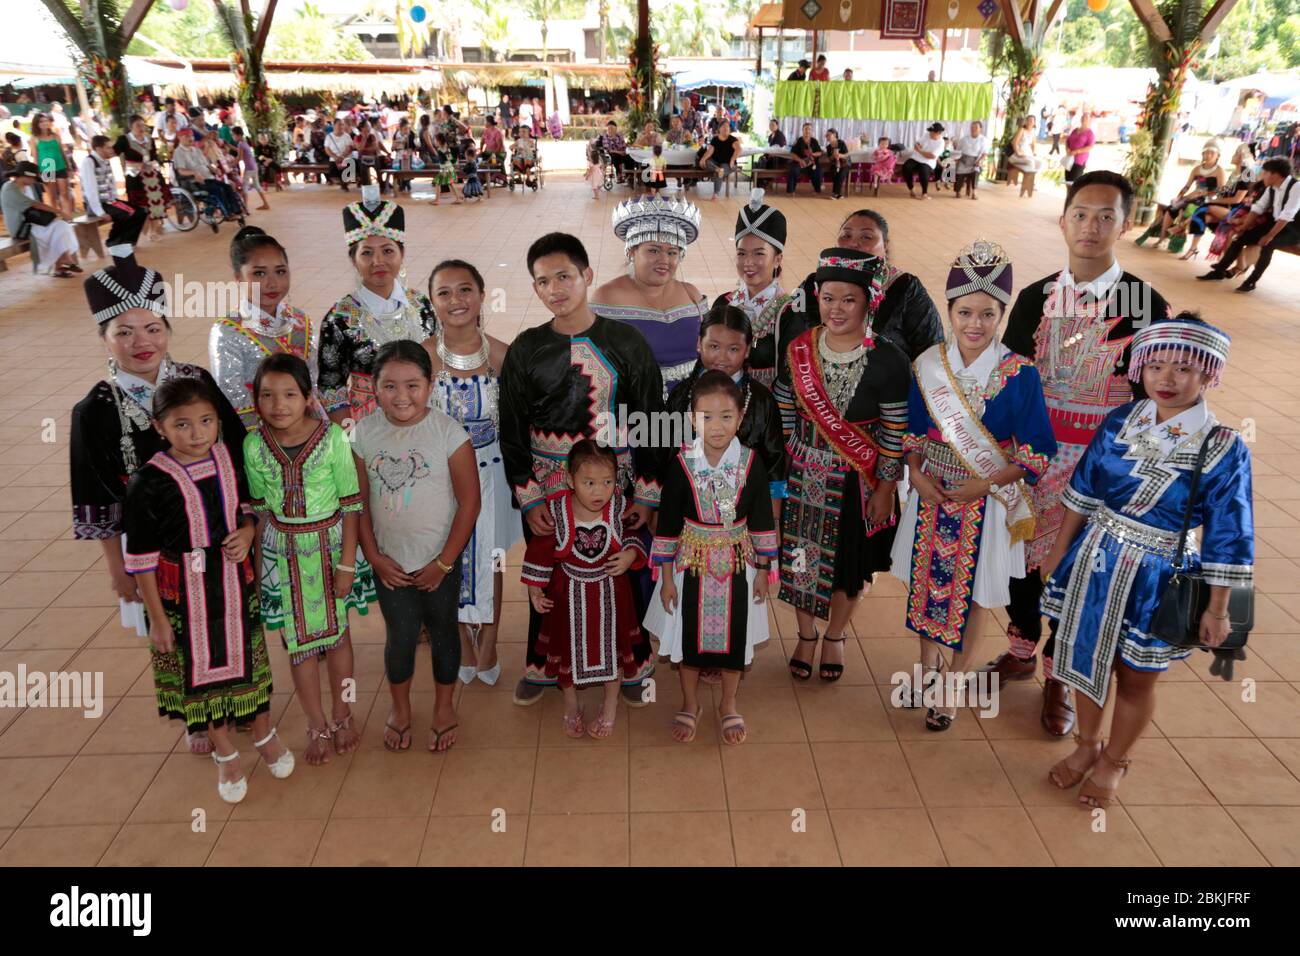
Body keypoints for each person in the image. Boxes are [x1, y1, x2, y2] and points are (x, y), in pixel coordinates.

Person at [1039, 315, 1252, 808]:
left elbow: (1230, 534)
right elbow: (1084, 490)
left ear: (1208, 374)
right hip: (1096, 558)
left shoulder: (1223, 447)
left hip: (1161, 572)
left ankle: (1115, 760)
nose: (1167, 379)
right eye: (1155, 366)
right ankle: (1087, 746)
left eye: (1183, 368)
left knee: (1136, 676)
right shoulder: (1121, 420)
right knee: (1084, 660)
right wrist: (1057, 550)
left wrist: (1219, 608)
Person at [993, 170, 1173, 738]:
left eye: (1105, 216)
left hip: (1102, 465)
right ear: (1063, 218)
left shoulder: (1146, 305)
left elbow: (1155, 399)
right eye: (1080, 214)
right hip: (1036, 457)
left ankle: (1062, 675)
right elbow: (1013, 379)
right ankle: (1022, 647)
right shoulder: (1035, 297)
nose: (1090, 227)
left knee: (1081, 569)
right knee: (1021, 557)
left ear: (1126, 223)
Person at [73, 248, 247, 757]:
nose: (141, 342)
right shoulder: (96, 409)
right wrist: (118, 569)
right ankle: (195, 714)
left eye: (151, 328)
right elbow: (96, 498)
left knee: (227, 614)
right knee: (171, 627)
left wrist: (246, 522)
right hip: (154, 552)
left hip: (217, 532)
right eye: (124, 332)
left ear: (167, 328)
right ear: (104, 338)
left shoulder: (194, 382)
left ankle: (237, 695)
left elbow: (234, 451)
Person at [890, 241, 1056, 730]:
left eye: (988, 313)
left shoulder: (1018, 373)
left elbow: (1035, 450)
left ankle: (953, 683)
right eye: (964, 312)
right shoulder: (928, 364)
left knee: (975, 593)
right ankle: (925, 670)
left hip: (986, 498)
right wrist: (916, 472)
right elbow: (913, 431)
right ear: (949, 310)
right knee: (925, 584)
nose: (975, 324)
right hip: (930, 493)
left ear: (1003, 314)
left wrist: (984, 486)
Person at [499, 232, 664, 707]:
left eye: (564, 276)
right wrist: (529, 497)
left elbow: (652, 419)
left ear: (587, 276)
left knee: (622, 570)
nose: (555, 289)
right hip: (550, 490)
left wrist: (647, 494)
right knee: (550, 575)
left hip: (615, 484)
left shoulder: (627, 342)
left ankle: (631, 664)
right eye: (543, 281)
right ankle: (544, 664)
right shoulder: (526, 349)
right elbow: (511, 425)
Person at [123, 376, 291, 803]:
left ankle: (262, 732)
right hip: (182, 594)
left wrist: (249, 531)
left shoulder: (229, 459)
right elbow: (140, 557)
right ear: (160, 428)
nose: (196, 434)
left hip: (234, 583)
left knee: (249, 664)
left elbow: (250, 506)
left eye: (205, 421)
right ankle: (225, 753)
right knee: (202, 680)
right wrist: (158, 619)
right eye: (182, 425)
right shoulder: (148, 482)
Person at [776, 247, 910, 681]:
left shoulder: (888, 358)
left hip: (859, 480)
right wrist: (788, 451)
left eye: (848, 299)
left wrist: (886, 488)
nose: (836, 308)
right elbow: (783, 399)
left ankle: (834, 635)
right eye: (828, 297)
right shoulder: (799, 347)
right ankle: (805, 635)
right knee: (801, 561)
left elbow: (894, 430)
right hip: (803, 473)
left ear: (868, 301)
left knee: (847, 568)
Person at [244, 353, 375, 764]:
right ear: (255, 400)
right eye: (267, 395)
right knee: (297, 645)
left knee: (338, 637)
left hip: (332, 548)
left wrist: (347, 563)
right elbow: (262, 507)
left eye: (288, 394)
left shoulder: (334, 438)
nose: (278, 405)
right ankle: (315, 721)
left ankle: (342, 712)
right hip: (283, 555)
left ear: (308, 397)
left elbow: (352, 504)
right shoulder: (253, 445)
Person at [352, 341, 480, 753]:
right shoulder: (363, 434)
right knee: (401, 637)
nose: (401, 396)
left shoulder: (448, 433)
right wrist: (374, 557)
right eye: (389, 386)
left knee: (444, 634)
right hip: (389, 563)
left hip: (438, 562)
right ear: (373, 387)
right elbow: (357, 503)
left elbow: (469, 503)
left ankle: (444, 707)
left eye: (412, 385)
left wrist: (443, 563)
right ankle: (400, 708)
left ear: (431, 384)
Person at [646, 370, 778, 745]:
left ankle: (729, 704)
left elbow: (763, 520)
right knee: (689, 641)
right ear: (691, 419)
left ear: (740, 418)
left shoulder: (751, 464)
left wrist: (763, 570)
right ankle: (690, 703)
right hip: (691, 564)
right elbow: (668, 525)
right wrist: (667, 579)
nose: (716, 426)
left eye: (726, 416)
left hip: (739, 563)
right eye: (706, 416)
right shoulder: (682, 464)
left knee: (734, 640)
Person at [422, 259, 520, 685]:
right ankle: (461, 639)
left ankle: (491, 640)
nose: (455, 300)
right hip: (440, 480)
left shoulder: (503, 355)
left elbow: (522, 419)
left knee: (492, 560)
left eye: (465, 290)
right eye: (444, 293)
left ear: (481, 296)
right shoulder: (422, 358)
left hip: (492, 470)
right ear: (432, 302)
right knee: (448, 561)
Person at [522, 441, 647, 738]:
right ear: (570, 479)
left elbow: (634, 533)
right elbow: (540, 549)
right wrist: (535, 589)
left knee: (613, 652)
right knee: (567, 652)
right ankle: (571, 703)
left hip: (612, 597)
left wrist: (630, 554)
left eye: (607, 482)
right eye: (588, 483)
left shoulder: (618, 507)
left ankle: (611, 705)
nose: (598, 491)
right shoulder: (558, 511)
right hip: (568, 598)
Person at [318, 191, 436, 424]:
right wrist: (350, 441)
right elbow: (331, 389)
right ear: (353, 259)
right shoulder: (339, 318)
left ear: (402, 254)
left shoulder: (421, 304)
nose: (378, 261)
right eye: (367, 253)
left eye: (388, 250)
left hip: (425, 417)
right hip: (368, 425)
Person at [786, 209, 944, 361]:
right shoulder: (813, 284)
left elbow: (932, 351)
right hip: (814, 383)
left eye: (866, 237)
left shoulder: (905, 287)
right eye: (846, 235)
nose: (853, 243)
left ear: (885, 245)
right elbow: (791, 334)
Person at [592, 196, 708, 397]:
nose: (664, 260)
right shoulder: (607, 298)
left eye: (672, 252)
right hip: (634, 413)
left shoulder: (692, 294)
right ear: (631, 251)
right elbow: (591, 368)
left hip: (691, 410)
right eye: (653, 250)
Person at [210, 226, 315, 430]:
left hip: (305, 428)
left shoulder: (301, 320)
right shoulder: (227, 330)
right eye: (259, 273)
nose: (273, 283)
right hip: (257, 437)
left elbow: (314, 381)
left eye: (281, 271)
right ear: (238, 278)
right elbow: (232, 396)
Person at [713, 190, 802, 388]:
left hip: (767, 413)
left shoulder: (789, 313)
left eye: (759, 254)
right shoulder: (723, 303)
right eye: (741, 253)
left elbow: (791, 382)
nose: (748, 263)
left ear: (777, 259)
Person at [1197, 157, 1299, 293]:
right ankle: (1219, 271)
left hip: (1294, 229)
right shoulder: (1272, 188)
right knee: (1240, 237)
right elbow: (1258, 208)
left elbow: (1287, 214)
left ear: (1274, 174)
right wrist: (1243, 228)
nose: (1262, 176)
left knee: (1268, 244)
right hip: (1276, 224)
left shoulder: (1296, 187)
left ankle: (1252, 281)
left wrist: (1269, 236)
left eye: (1265, 173)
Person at [1135, 140, 1227, 252]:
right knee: (1171, 208)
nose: (1208, 155)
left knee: (1189, 209)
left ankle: (1178, 239)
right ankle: (1162, 237)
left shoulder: (1219, 171)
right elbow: (1187, 186)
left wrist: (1204, 193)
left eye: (1212, 153)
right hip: (1193, 196)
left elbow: (1221, 191)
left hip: (1208, 199)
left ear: (1218, 156)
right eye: (1206, 152)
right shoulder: (1197, 169)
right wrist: (1179, 197)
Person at [0, 161, 80, 277]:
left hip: (32, 223)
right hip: (21, 228)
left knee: (61, 226)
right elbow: (34, 204)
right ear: (25, 176)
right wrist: (60, 211)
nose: (34, 181)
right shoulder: (9, 188)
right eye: (33, 178)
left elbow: (36, 206)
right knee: (56, 229)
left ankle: (62, 264)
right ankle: (64, 262)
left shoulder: (27, 187)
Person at [78, 135, 148, 263]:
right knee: (126, 214)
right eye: (108, 147)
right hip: (96, 205)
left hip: (110, 201)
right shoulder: (89, 162)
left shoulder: (106, 161)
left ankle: (127, 242)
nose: (112, 150)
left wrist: (117, 201)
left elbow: (112, 184)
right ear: (98, 148)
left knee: (141, 211)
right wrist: (100, 212)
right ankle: (114, 243)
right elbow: (90, 190)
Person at [113, 115, 170, 240]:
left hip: (151, 176)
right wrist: (136, 164)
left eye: (142, 125)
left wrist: (154, 165)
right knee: (140, 205)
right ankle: (143, 229)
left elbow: (154, 156)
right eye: (138, 125)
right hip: (135, 178)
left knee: (156, 202)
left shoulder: (149, 139)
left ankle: (153, 230)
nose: (141, 127)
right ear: (131, 127)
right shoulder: (124, 140)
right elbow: (113, 152)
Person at [172, 128, 243, 220]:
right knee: (219, 190)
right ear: (180, 138)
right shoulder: (178, 152)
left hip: (208, 177)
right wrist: (194, 173)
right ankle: (229, 214)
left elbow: (207, 164)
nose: (191, 138)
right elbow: (181, 171)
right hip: (195, 182)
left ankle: (237, 211)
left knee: (227, 187)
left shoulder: (196, 149)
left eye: (191, 136)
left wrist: (214, 169)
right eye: (187, 136)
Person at [28, 112, 73, 217]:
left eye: (46, 120)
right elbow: (35, 157)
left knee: (65, 194)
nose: (44, 123)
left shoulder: (56, 136)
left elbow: (62, 152)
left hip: (60, 166)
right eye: (41, 121)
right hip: (46, 168)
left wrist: (69, 167)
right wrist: (37, 172)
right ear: (37, 124)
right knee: (52, 196)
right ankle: (55, 217)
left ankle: (68, 217)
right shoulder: (34, 138)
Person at [698, 118, 740, 200]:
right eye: (724, 127)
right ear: (719, 129)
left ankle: (716, 193)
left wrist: (732, 159)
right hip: (716, 163)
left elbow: (739, 149)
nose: (726, 128)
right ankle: (717, 169)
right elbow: (710, 151)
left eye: (727, 127)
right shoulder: (715, 139)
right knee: (706, 162)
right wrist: (703, 159)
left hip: (728, 164)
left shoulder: (732, 139)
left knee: (721, 171)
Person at [900, 123, 944, 200]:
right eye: (930, 131)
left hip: (928, 161)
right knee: (906, 167)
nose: (930, 133)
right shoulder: (926, 135)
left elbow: (932, 156)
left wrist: (920, 151)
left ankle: (924, 193)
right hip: (916, 157)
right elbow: (917, 144)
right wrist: (918, 147)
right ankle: (911, 188)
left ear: (938, 133)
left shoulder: (941, 143)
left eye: (932, 132)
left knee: (923, 171)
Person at [230, 127, 269, 211]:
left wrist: (231, 165)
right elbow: (240, 151)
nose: (232, 137)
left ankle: (245, 208)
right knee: (257, 186)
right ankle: (265, 204)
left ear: (238, 135)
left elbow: (239, 157)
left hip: (249, 168)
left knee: (244, 187)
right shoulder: (244, 142)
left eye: (233, 135)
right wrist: (229, 146)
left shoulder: (241, 143)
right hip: (254, 166)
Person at [1007, 115, 1044, 198]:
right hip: (1016, 155)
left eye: (1032, 120)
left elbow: (1034, 144)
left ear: (1034, 123)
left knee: (1040, 163)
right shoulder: (1022, 130)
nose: (1030, 122)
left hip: (1027, 155)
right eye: (1029, 120)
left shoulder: (1033, 132)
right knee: (1030, 162)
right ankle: (1028, 185)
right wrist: (1018, 152)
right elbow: (1014, 143)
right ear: (1026, 122)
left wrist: (1034, 152)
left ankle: (1031, 181)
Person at [954, 120, 988, 200]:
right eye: (972, 127)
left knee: (976, 171)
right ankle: (958, 191)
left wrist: (979, 162)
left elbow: (984, 153)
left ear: (980, 129)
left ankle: (974, 192)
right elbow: (958, 151)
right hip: (963, 159)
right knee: (958, 171)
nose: (973, 129)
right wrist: (956, 161)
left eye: (976, 127)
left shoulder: (983, 140)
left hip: (975, 160)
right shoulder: (964, 139)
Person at [786, 123, 823, 195]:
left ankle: (817, 190)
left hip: (812, 163)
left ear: (811, 131)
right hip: (800, 162)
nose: (807, 131)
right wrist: (800, 160)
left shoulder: (814, 141)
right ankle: (791, 191)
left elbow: (820, 152)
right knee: (793, 170)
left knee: (818, 171)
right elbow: (792, 154)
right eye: (806, 129)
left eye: (809, 129)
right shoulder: (798, 140)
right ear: (802, 130)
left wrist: (813, 154)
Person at [430, 133, 465, 205]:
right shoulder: (446, 147)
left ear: (439, 141)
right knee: (451, 183)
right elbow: (450, 158)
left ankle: (437, 200)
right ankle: (458, 198)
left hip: (445, 169)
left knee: (437, 183)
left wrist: (444, 171)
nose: (434, 142)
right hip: (449, 167)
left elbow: (443, 161)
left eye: (435, 140)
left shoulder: (440, 149)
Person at [1063, 112, 1096, 183]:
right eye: (1083, 117)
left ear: (1090, 120)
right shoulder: (1075, 130)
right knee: (1067, 181)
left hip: (1079, 160)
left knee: (1074, 182)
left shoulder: (1090, 133)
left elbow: (1090, 147)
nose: (1084, 119)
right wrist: (1067, 149)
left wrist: (1077, 151)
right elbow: (1067, 140)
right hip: (1069, 158)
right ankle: (1068, 194)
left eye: (1086, 118)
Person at [601, 120, 636, 184]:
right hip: (612, 154)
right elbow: (609, 149)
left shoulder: (619, 136)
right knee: (615, 156)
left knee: (630, 157)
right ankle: (619, 175)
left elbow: (624, 146)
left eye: (612, 128)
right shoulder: (605, 137)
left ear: (616, 129)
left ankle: (629, 175)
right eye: (609, 128)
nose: (610, 130)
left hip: (621, 153)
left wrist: (624, 151)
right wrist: (619, 152)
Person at [325, 117, 355, 191]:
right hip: (334, 159)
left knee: (348, 163)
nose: (341, 126)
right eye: (339, 124)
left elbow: (349, 147)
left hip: (345, 158)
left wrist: (342, 156)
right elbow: (327, 149)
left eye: (342, 125)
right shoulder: (329, 137)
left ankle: (344, 183)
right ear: (334, 125)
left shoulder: (347, 136)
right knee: (333, 170)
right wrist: (335, 157)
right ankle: (342, 183)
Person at [825, 127, 850, 199]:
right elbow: (830, 158)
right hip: (835, 164)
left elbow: (847, 154)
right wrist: (833, 155)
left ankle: (835, 194)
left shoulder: (841, 143)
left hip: (845, 163)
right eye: (826, 135)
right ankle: (838, 194)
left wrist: (840, 155)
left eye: (829, 135)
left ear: (834, 135)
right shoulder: (828, 147)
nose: (827, 137)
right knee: (834, 172)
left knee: (840, 174)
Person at [480, 114, 506, 183]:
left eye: (485, 121)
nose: (484, 123)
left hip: (498, 154)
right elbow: (482, 142)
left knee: (493, 161)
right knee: (478, 159)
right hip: (488, 153)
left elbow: (499, 147)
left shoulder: (497, 132)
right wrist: (481, 151)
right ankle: (482, 178)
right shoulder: (485, 131)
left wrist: (491, 156)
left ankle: (499, 178)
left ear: (489, 122)